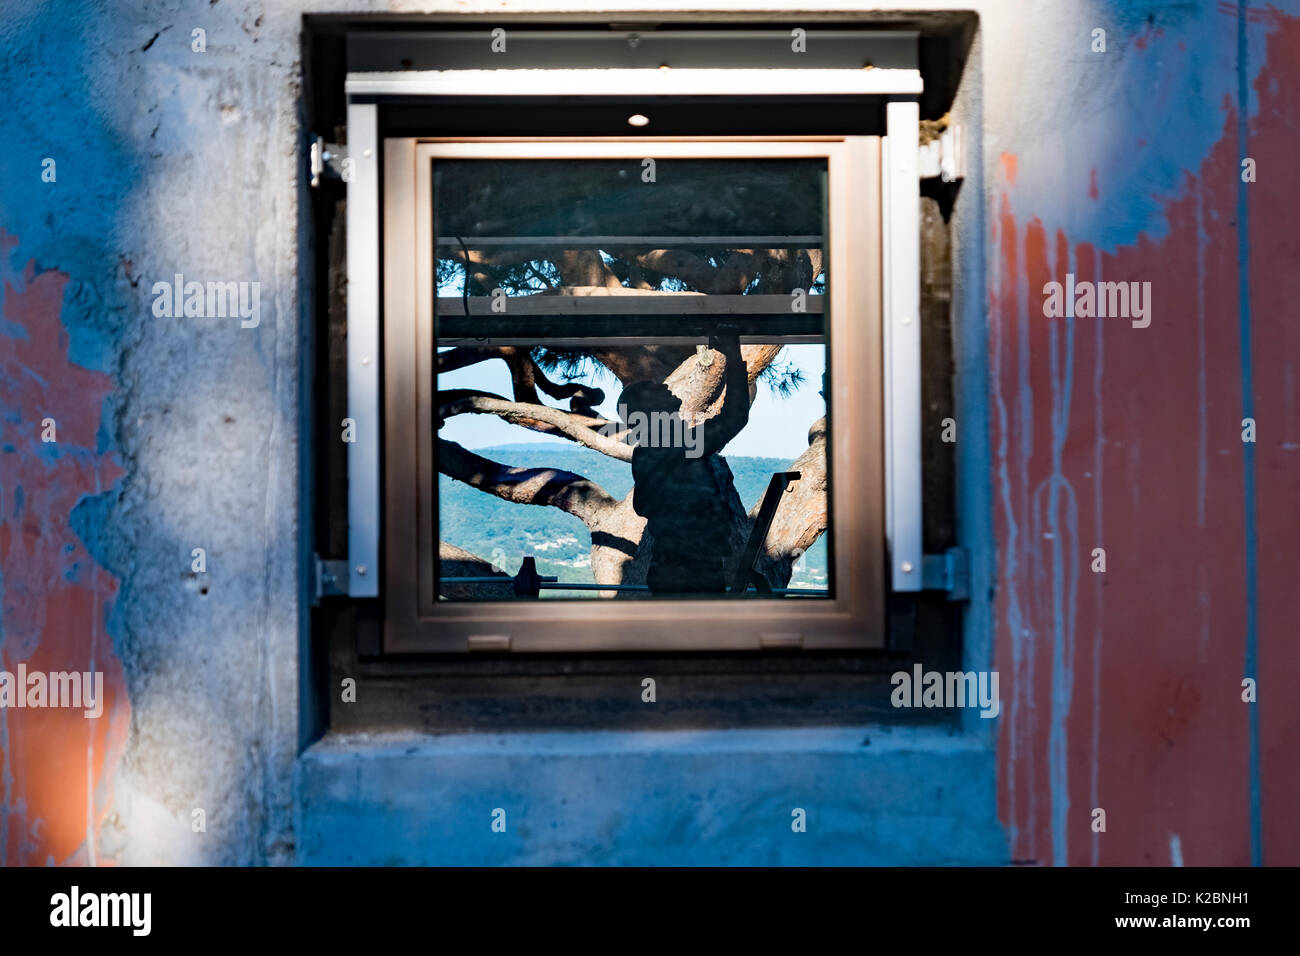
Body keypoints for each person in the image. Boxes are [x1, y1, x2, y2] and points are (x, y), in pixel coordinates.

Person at [620, 331, 750, 594]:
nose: (674, 396)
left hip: (678, 569)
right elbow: (734, 417)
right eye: (664, 396)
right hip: (691, 572)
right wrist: (734, 358)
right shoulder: (673, 448)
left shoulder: (655, 451)